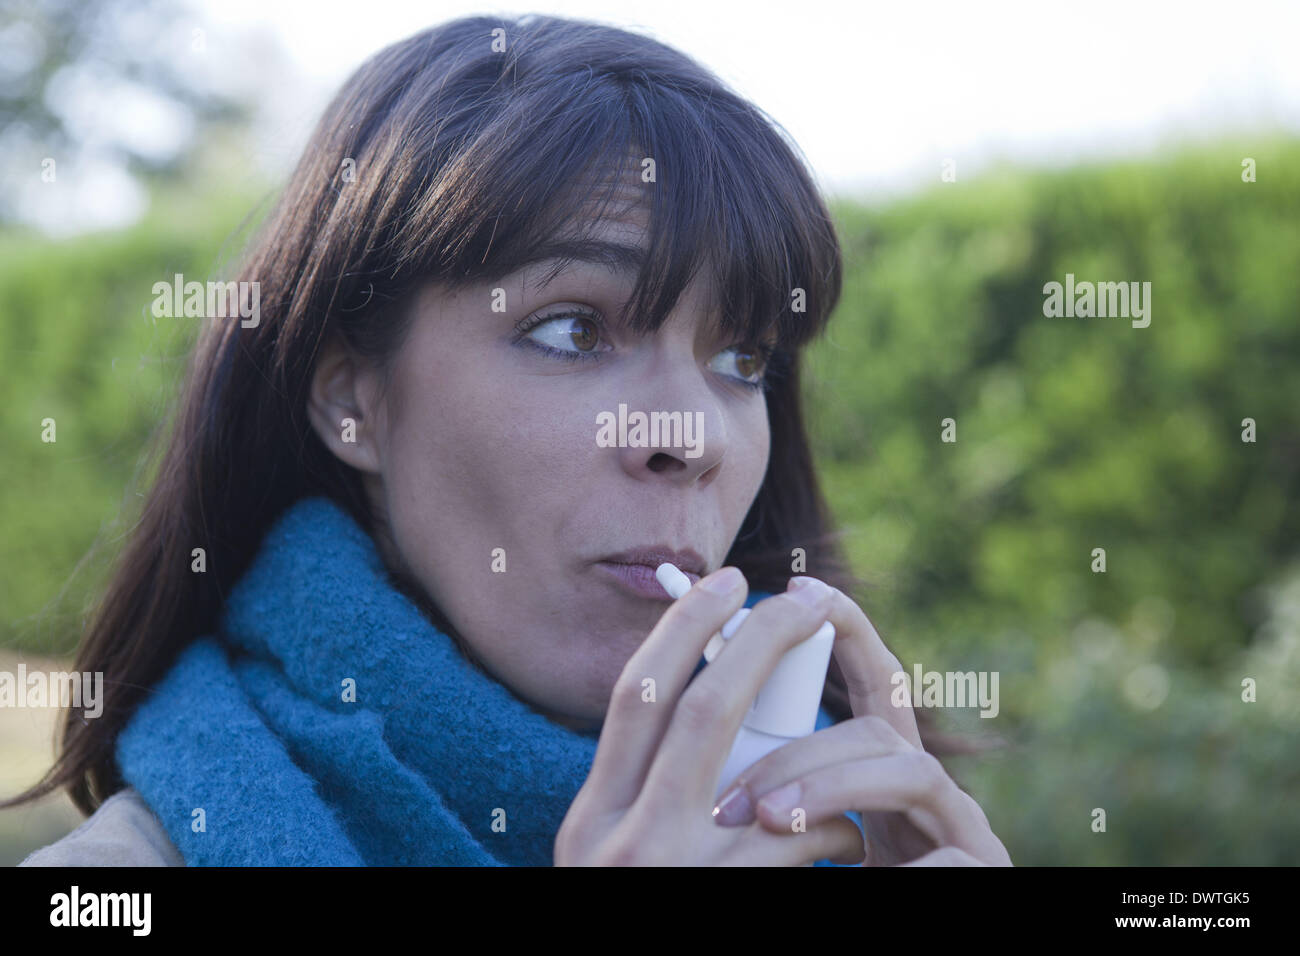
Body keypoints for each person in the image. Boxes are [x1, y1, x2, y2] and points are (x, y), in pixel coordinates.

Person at [8, 13, 1010, 867]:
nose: (693, 436)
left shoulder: (853, 823)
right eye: (572, 329)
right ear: (350, 398)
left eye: (744, 358)